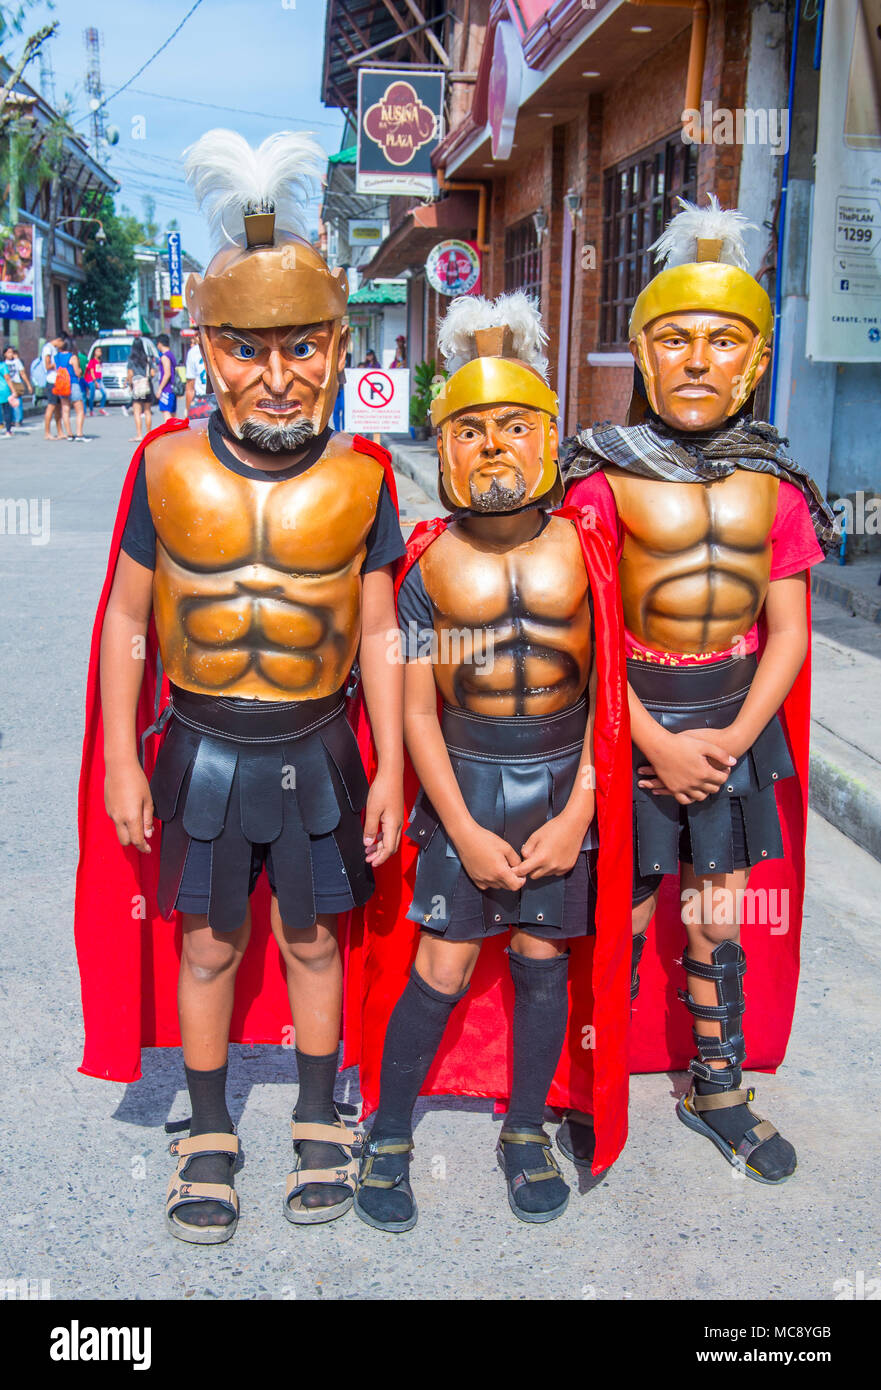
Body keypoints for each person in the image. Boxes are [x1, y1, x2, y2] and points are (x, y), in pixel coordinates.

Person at [75, 129, 405, 1246]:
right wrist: (122, 755)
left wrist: (393, 771)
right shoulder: (164, 468)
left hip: (320, 747)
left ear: (335, 342)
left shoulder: (365, 481)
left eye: (302, 347)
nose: (276, 373)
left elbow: (379, 635)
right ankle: (206, 1126)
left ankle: (318, 1113)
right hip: (200, 746)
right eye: (247, 346)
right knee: (207, 942)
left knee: (315, 940)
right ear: (205, 344)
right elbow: (126, 618)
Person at [561, 196, 837, 1183]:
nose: (694, 359)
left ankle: (712, 1085)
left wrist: (727, 740)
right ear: (639, 352)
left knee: (717, 911)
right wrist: (654, 742)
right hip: (627, 721)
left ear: (754, 362)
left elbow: (788, 631)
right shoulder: (595, 480)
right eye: (672, 337)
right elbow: (578, 637)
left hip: (733, 722)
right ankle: (592, 1080)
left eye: (722, 341)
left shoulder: (779, 487)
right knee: (622, 913)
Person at [352, 293, 632, 1233]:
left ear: (549, 438)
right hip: (463, 784)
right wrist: (462, 829)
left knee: (543, 954)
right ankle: (387, 1134)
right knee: (439, 960)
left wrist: (582, 809)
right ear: (442, 447)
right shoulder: (426, 563)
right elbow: (417, 709)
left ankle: (523, 1129)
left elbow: (608, 695)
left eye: (515, 425)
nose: (493, 446)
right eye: (468, 430)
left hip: (564, 780)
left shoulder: (589, 550)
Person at [53, 334, 87, 441]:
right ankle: (79, 434)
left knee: (65, 409)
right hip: (73, 384)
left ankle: (69, 434)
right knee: (80, 410)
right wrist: (80, 371)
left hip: (61, 385)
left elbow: (56, 370)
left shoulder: (56, 357)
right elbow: (77, 372)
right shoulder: (72, 357)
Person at [41, 334, 68, 440]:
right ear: (58, 340)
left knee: (58, 407)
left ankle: (60, 431)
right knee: (51, 406)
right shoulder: (48, 348)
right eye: (62, 343)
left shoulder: (54, 349)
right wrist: (56, 363)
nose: (62, 346)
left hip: (58, 380)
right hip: (51, 380)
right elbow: (47, 366)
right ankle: (47, 432)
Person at [127, 333, 153, 440]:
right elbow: (152, 373)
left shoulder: (131, 359)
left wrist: (130, 385)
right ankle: (148, 434)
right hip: (147, 386)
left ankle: (139, 434)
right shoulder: (147, 359)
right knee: (147, 410)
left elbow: (130, 375)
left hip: (137, 386)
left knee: (137, 412)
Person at [184, 334, 214, 419]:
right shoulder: (222, 347)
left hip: (202, 401)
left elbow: (190, 387)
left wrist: (187, 410)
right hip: (220, 400)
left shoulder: (193, 352)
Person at [4, 345, 31, 426]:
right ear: (4, 353)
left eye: (12, 352)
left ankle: (18, 420)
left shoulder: (17, 361)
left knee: (17, 402)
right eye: (9, 352)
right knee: (8, 403)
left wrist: (28, 384)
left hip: (16, 383)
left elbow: (22, 373)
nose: (11, 354)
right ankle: (10, 420)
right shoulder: (3, 363)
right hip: (6, 385)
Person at [155, 332, 178, 420]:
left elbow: (167, 373)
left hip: (166, 389)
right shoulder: (171, 355)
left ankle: (170, 432)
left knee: (166, 412)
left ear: (160, 344)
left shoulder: (165, 357)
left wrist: (160, 389)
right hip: (172, 389)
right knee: (172, 413)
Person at [84, 347, 108, 416]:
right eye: (98, 351)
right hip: (93, 380)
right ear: (95, 352)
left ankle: (101, 408)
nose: (99, 352)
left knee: (104, 393)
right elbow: (91, 372)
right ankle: (91, 411)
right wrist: (95, 382)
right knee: (92, 396)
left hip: (99, 379)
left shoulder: (100, 361)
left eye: (100, 351)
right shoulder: (92, 361)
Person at [0, 351, 15, 434]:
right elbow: (8, 378)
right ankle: (8, 430)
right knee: (6, 410)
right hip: (4, 390)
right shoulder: (3, 365)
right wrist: (13, 390)